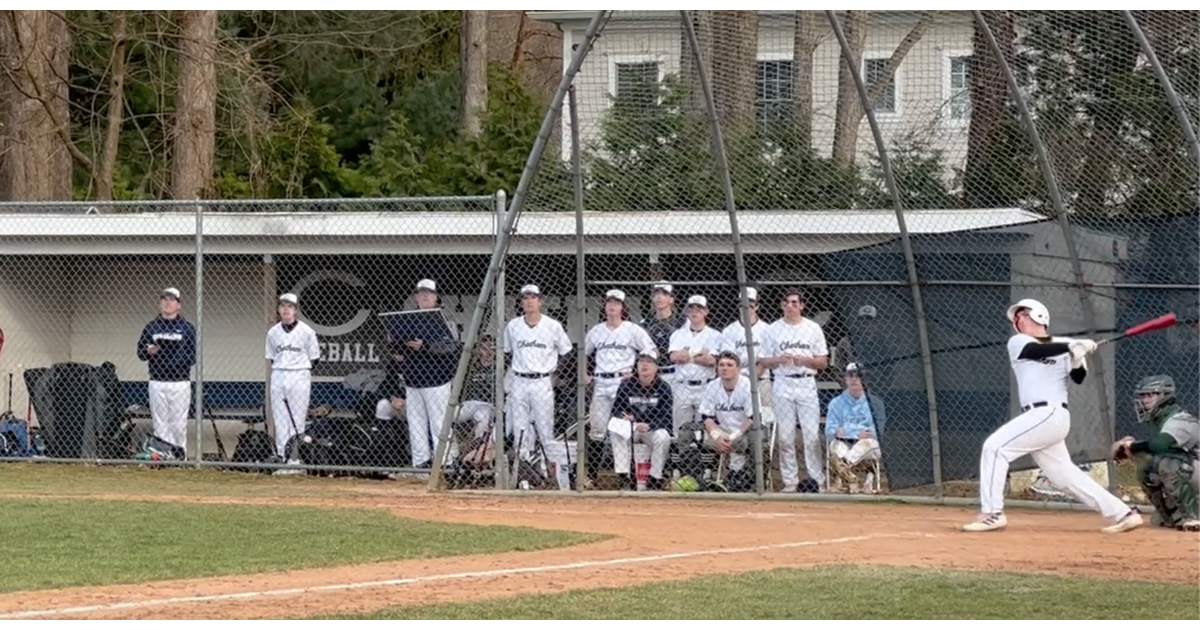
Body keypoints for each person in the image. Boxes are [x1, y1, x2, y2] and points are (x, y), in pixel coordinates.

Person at [963, 298, 1142, 533]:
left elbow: (1078, 377)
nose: (1018, 320)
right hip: (1040, 416)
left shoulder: (1066, 345)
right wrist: (1072, 347)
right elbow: (1036, 350)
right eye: (1017, 318)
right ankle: (1123, 513)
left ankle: (992, 513)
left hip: (1050, 413)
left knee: (995, 448)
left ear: (1038, 316)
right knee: (1064, 476)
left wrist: (1077, 358)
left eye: (1023, 315)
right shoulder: (1020, 342)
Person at [759, 287, 829, 492]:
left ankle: (818, 480)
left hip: (806, 382)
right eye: (786, 302)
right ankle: (791, 480)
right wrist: (780, 359)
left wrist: (805, 360)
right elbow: (764, 360)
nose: (790, 306)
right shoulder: (772, 329)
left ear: (802, 306)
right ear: (781, 305)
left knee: (811, 435)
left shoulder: (813, 328)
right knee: (785, 436)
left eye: (794, 302)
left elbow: (823, 362)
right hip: (782, 382)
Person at [1112, 375, 1199, 531]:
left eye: (1150, 395)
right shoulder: (1164, 420)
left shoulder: (1181, 420)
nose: (1145, 401)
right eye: (1143, 396)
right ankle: (1172, 515)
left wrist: (1131, 445)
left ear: (1164, 396)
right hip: (1194, 476)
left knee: (1168, 462)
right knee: (1145, 462)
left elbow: (1160, 444)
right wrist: (1131, 450)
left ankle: (1192, 517)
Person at [584, 289, 655, 484]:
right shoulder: (596, 331)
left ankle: (625, 476)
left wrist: (636, 371)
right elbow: (583, 352)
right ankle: (591, 476)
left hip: (622, 383)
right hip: (600, 382)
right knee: (597, 429)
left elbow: (651, 350)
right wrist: (585, 374)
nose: (612, 306)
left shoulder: (632, 329)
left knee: (622, 428)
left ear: (623, 307)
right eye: (609, 303)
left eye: (616, 303)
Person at [389, 279, 460, 469]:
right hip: (413, 380)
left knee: (439, 423)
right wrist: (399, 350)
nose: (425, 296)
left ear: (437, 297)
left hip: (437, 380)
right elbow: (393, 344)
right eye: (421, 293)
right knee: (416, 423)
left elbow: (452, 347)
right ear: (416, 297)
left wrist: (425, 346)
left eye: (429, 293)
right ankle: (420, 462)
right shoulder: (407, 318)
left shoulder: (444, 319)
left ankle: (444, 461)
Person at [503, 284, 574, 472]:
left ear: (540, 301)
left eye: (533, 297)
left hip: (543, 380)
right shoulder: (513, 326)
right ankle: (522, 468)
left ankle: (545, 468)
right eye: (525, 298)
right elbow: (507, 352)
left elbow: (567, 352)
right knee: (520, 427)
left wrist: (556, 374)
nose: (529, 301)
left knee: (544, 426)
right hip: (519, 379)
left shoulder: (552, 326)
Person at [136, 287, 196, 458]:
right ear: (159, 304)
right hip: (157, 381)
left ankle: (179, 457)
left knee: (178, 423)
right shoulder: (151, 327)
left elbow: (192, 357)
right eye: (164, 299)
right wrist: (150, 351)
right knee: (160, 423)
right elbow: (140, 352)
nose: (167, 303)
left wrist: (172, 358)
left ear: (179, 305)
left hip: (179, 382)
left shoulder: (187, 328)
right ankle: (162, 456)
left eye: (172, 300)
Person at [265, 292, 321, 474]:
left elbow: (314, 359)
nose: (286, 309)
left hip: (299, 375)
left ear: (295, 310)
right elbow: (272, 358)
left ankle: (296, 459)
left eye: (289, 306)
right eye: (283, 306)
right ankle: (283, 457)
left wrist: (298, 370)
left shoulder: (306, 331)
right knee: (280, 419)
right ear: (278, 309)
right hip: (279, 374)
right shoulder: (273, 332)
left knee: (297, 419)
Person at [610, 349, 674, 490]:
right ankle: (624, 476)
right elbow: (616, 410)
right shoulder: (626, 385)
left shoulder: (664, 388)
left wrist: (650, 425)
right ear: (636, 365)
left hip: (651, 429)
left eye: (649, 362)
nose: (644, 365)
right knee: (616, 432)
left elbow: (667, 418)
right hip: (631, 427)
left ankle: (654, 478)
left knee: (663, 437)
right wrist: (625, 418)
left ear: (656, 367)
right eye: (641, 362)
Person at [824, 362, 886, 493]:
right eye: (850, 376)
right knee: (835, 446)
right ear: (845, 379)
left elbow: (877, 430)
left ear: (864, 379)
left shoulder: (875, 402)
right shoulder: (836, 403)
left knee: (866, 443)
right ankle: (851, 478)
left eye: (858, 376)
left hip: (868, 444)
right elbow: (830, 430)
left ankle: (843, 472)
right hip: (844, 443)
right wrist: (853, 433)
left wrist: (846, 431)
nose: (854, 379)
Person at [668, 295, 725, 433]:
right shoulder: (678, 334)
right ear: (687, 312)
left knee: (704, 429)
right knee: (680, 430)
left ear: (706, 312)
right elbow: (673, 357)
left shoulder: (715, 335)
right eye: (691, 309)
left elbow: (712, 361)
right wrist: (699, 356)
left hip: (705, 385)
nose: (695, 312)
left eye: (699, 309)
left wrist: (687, 355)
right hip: (682, 386)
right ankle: (683, 453)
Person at [699, 351, 755, 490]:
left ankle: (745, 479)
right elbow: (707, 417)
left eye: (730, 365)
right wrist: (717, 437)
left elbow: (753, 418)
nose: (725, 368)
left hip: (743, 431)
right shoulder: (712, 386)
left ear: (738, 369)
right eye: (721, 365)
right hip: (721, 430)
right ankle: (700, 478)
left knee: (757, 439)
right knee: (688, 433)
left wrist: (734, 436)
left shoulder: (747, 385)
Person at [638, 283, 686, 386]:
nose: (659, 297)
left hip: (675, 373)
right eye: (656, 294)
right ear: (652, 298)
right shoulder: (645, 324)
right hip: (651, 375)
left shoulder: (681, 323)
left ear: (671, 299)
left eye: (664, 294)